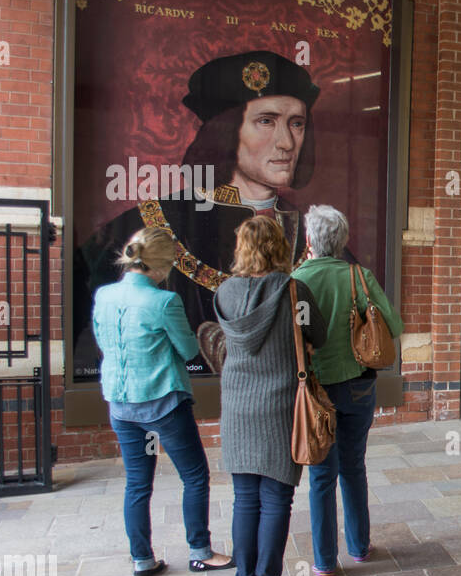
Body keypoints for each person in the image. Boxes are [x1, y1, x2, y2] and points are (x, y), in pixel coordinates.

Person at [76, 50, 321, 377]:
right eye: (266, 121)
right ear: (227, 129)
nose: (287, 143)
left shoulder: (310, 228)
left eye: (297, 124)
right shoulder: (144, 224)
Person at [90, 226, 233, 576]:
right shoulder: (164, 301)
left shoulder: (104, 296)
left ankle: (142, 561)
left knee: (137, 484)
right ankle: (200, 552)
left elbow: (103, 341)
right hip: (163, 401)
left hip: (121, 403)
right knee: (195, 476)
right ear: (161, 266)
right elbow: (187, 350)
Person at [214, 216, 327, 576]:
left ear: (241, 248)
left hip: (238, 406)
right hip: (281, 407)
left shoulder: (225, 293)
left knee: (245, 498)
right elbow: (319, 335)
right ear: (280, 246)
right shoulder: (294, 293)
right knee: (278, 498)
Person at [291, 206, 403, 576]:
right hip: (357, 388)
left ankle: (324, 563)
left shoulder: (296, 280)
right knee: (354, 467)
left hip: (316, 391)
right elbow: (394, 325)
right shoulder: (360, 276)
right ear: (344, 241)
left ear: (309, 241)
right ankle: (359, 546)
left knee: (322, 476)